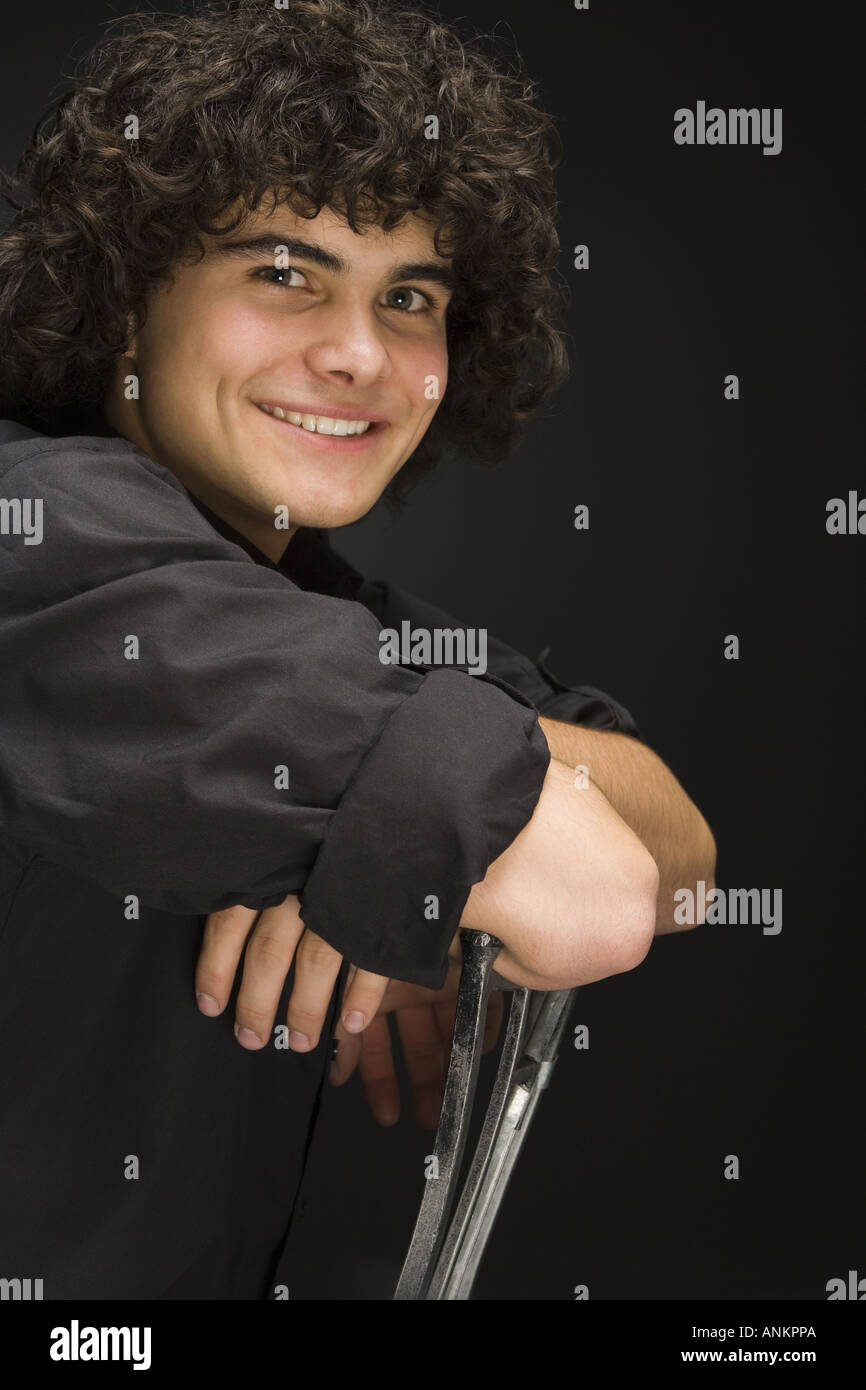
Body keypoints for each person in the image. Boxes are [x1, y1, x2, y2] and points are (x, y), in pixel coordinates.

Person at [0, 0, 715, 1299]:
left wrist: (392, 861)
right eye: (284, 273)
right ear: (125, 297)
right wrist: (432, 837)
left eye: (409, 299)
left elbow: (671, 842)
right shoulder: (36, 536)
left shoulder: (339, 627)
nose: (355, 353)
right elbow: (589, 893)